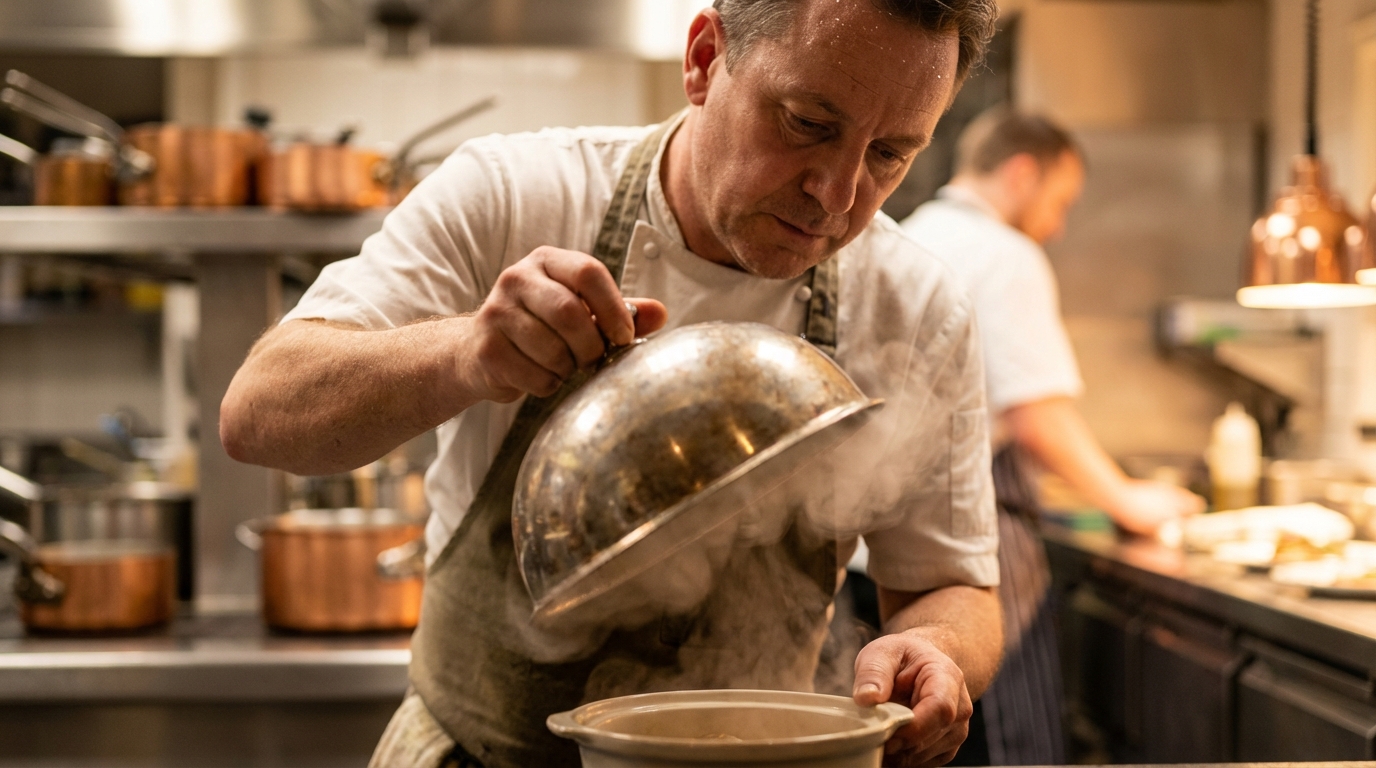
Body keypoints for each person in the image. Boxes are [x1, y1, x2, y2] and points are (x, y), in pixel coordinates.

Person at [221, 2, 1006, 766]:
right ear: (704, 59)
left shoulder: (914, 305)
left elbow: (951, 584)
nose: (837, 195)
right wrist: (464, 356)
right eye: (806, 123)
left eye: (889, 155)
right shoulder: (514, 194)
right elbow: (258, 415)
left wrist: (935, 650)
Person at [901, 108, 1205, 764]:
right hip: (970, 538)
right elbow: (1037, 413)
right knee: (1017, 743)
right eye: (1059, 202)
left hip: (889, 549)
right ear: (1021, 173)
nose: (1058, 225)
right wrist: (1128, 501)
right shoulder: (1006, 255)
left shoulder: (910, 234)